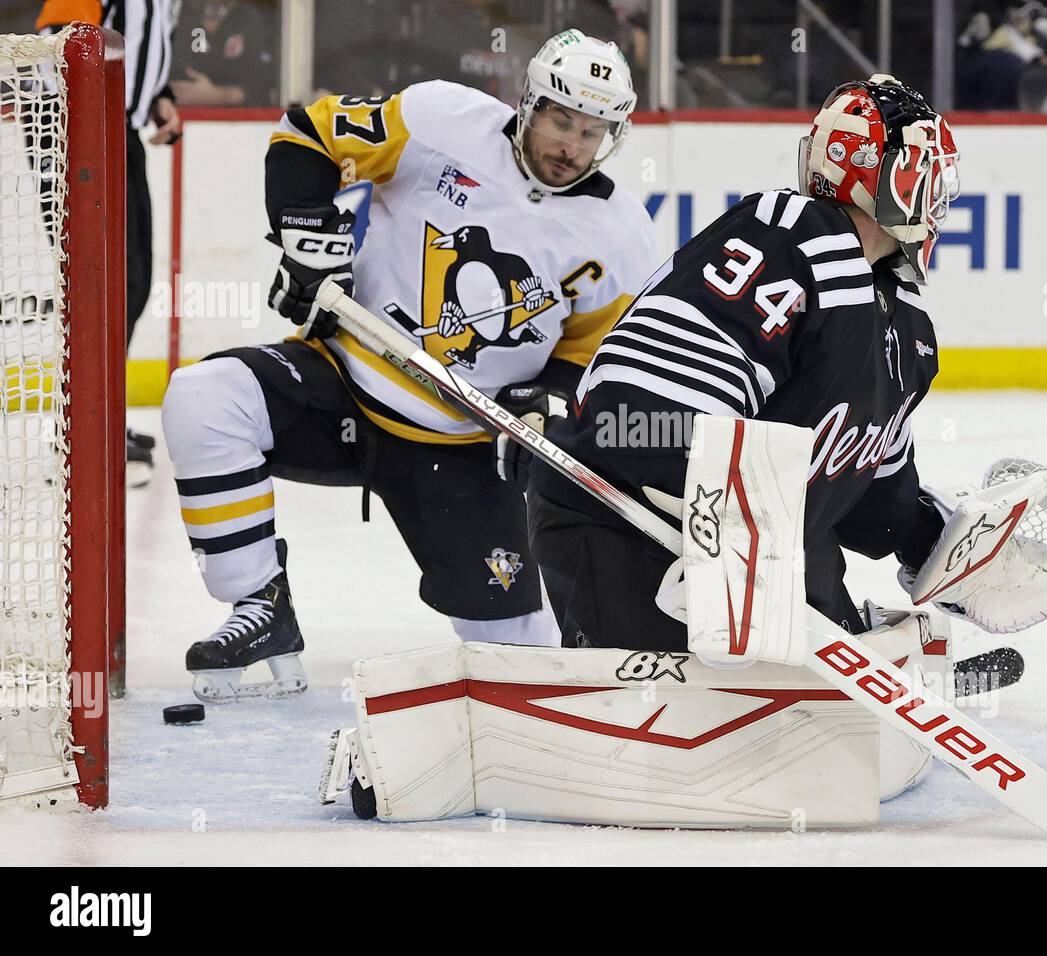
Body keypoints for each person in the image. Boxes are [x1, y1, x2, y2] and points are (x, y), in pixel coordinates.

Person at [160, 29, 656, 702]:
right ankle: (257, 605)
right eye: (560, 120)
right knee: (204, 397)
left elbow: (597, 354)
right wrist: (307, 240)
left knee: (519, 665)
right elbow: (308, 132)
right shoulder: (440, 120)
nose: (570, 146)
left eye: (591, 132)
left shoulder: (622, 233)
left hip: (461, 445)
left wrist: (548, 396)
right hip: (340, 385)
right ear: (529, 104)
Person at [528, 75, 958, 651]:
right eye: (927, 176)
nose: (937, 200)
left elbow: (869, 500)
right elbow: (638, 411)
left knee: (807, 550)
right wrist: (709, 517)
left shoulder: (906, 329)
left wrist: (931, 541)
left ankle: (844, 635)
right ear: (890, 177)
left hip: (763, 549)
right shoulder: (787, 233)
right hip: (630, 522)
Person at [36, 0, 181, 482]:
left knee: (132, 285)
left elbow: (139, 50)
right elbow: (60, 40)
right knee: (102, 286)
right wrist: (78, 133)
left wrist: (158, 96)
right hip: (77, 128)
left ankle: (101, 422)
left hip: (118, 132)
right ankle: (81, 431)